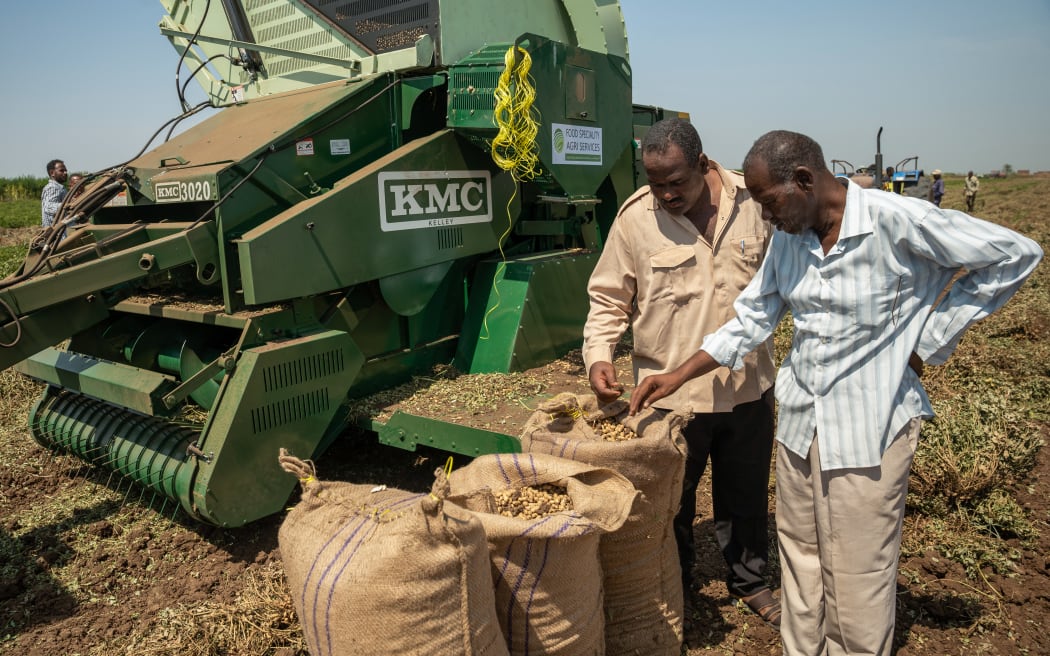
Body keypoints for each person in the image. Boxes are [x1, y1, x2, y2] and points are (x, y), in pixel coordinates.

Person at [628, 130, 1043, 655]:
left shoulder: (895, 221)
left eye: (768, 202)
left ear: (803, 181)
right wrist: (678, 374)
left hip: (870, 425)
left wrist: (928, 340)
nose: (765, 216)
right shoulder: (790, 237)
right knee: (800, 556)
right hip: (803, 421)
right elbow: (753, 316)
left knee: (859, 568)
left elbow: (1014, 254)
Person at [582, 118, 780, 629]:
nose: (667, 193)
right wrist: (599, 355)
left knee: (746, 493)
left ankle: (751, 580)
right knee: (673, 502)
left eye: (677, 181)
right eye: (656, 183)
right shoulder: (634, 220)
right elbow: (608, 297)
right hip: (671, 395)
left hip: (748, 384)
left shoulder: (753, 204)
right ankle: (677, 582)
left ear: (702, 163)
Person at [40, 159, 68, 228]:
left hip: (61, 229)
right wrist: (69, 205)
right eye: (61, 171)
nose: (65, 173)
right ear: (52, 173)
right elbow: (49, 207)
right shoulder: (52, 187)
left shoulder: (60, 188)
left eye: (65, 170)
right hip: (56, 232)